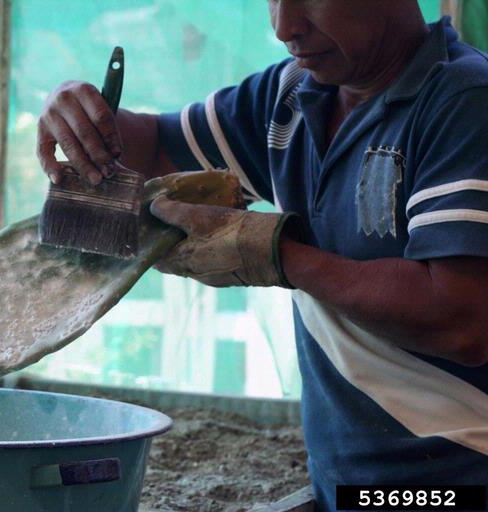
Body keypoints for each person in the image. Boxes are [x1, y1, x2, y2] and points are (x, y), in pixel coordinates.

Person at [36, 1, 488, 510]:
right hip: (347, 488)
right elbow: (153, 150)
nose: (283, 27)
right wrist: (80, 116)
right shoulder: (292, 96)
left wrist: (275, 255)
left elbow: (462, 320)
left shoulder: (465, 101)